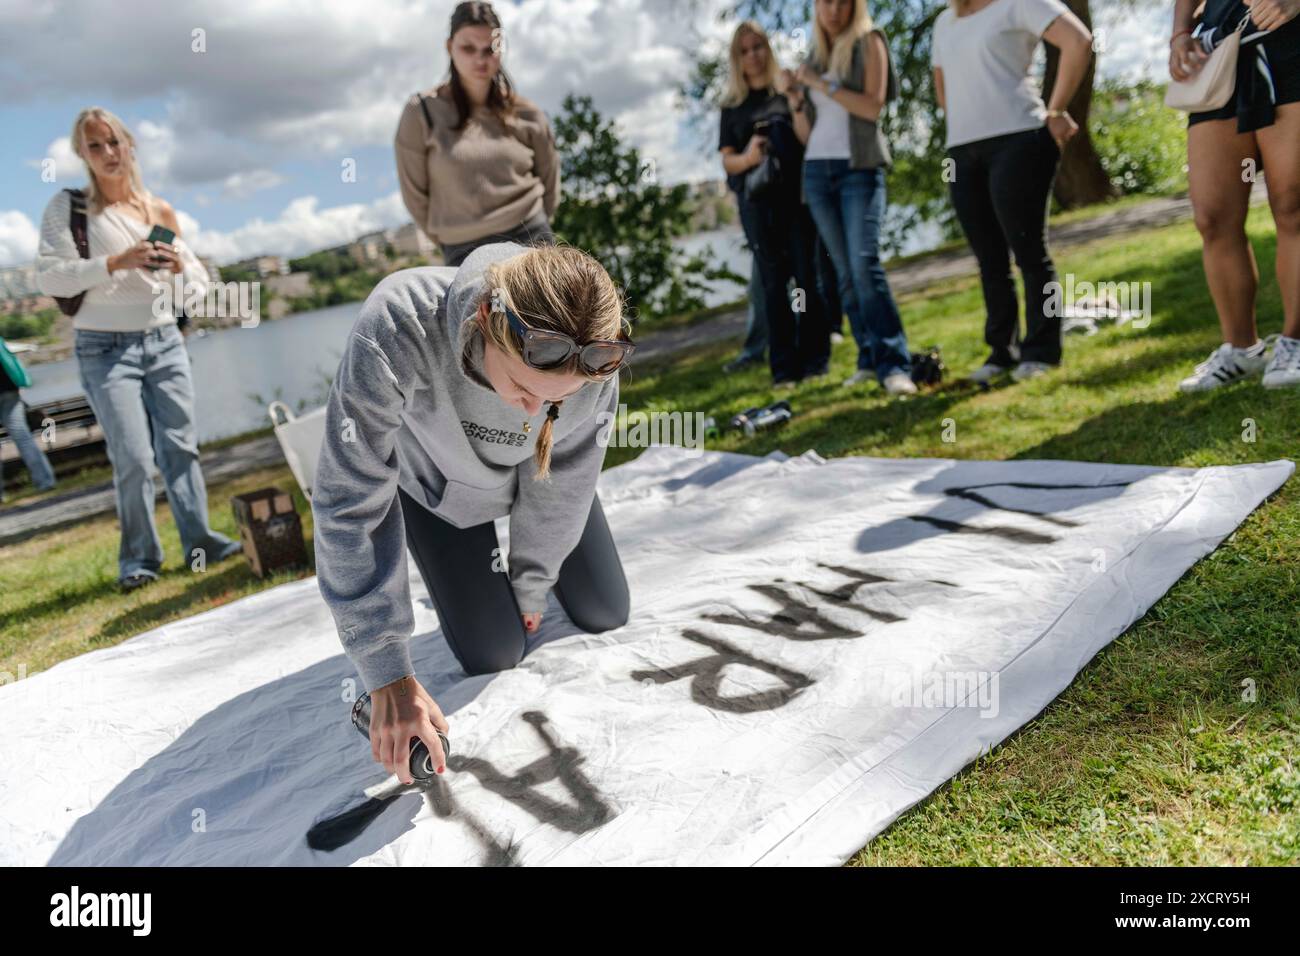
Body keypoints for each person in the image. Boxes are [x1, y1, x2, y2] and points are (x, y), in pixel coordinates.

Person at [312, 242, 633, 785]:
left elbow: (568, 480)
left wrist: (533, 581)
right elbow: (349, 499)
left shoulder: (594, 364)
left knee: (607, 610)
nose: (536, 412)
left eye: (556, 402)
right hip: (438, 492)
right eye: (524, 389)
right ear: (486, 321)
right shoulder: (399, 322)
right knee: (495, 650)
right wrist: (385, 672)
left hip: (541, 481)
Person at [35, 107, 242, 591]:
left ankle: (201, 544)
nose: (108, 153)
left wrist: (174, 270)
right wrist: (114, 262)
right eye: (94, 146)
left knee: (181, 449)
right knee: (131, 456)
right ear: (82, 154)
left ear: (130, 145)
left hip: (164, 340)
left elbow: (197, 287)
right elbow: (49, 275)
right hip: (103, 349)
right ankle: (139, 559)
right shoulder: (70, 209)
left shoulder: (158, 211)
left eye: (114, 142)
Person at [932, 0, 1093, 385]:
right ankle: (1002, 351)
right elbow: (943, 92)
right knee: (989, 259)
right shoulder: (943, 23)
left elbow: (1079, 41)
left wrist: (1056, 110)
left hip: (1020, 140)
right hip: (962, 149)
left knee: (1029, 252)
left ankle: (1041, 352)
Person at [788, 0, 917, 395]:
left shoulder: (870, 41)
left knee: (865, 266)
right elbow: (807, 135)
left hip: (858, 168)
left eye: (844, 1)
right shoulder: (815, 57)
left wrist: (819, 82)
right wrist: (796, 96)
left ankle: (895, 364)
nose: (834, 9)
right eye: (826, 2)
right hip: (817, 172)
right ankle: (867, 357)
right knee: (843, 275)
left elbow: (871, 107)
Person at [1171, 0, 1300, 391]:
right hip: (1221, 53)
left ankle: (1296, 342)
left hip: (1290, 46)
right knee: (1212, 216)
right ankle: (1241, 349)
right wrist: (1180, 34)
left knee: (1293, 205)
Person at [395, 0, 560, 269]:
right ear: (450, 48)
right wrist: (452, 235)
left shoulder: (527, 113)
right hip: (463, 254)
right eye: (468, 48)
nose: (480, 59)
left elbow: (550, 184)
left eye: (490, 49)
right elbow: (415, 197)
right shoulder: (421, 113)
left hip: (533, 242)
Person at [719, 20, 832, 389]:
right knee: (773, 285)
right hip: (757, 206)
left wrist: (796, 97)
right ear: (737, 58)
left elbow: (808, 139)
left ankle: (815, 359)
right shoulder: (732, 107)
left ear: (768, 49)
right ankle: (783, 368)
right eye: (745, 50)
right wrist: (750, 156)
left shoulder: (786, 93)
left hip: (796, 202)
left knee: (806, 280)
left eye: (758, 47)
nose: (753, 55)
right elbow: (728, 162)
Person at [0, 339, 57, 502]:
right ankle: (45, 481)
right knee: (23, 439)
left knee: (23, 439)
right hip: (9, 393)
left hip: (9, 394)